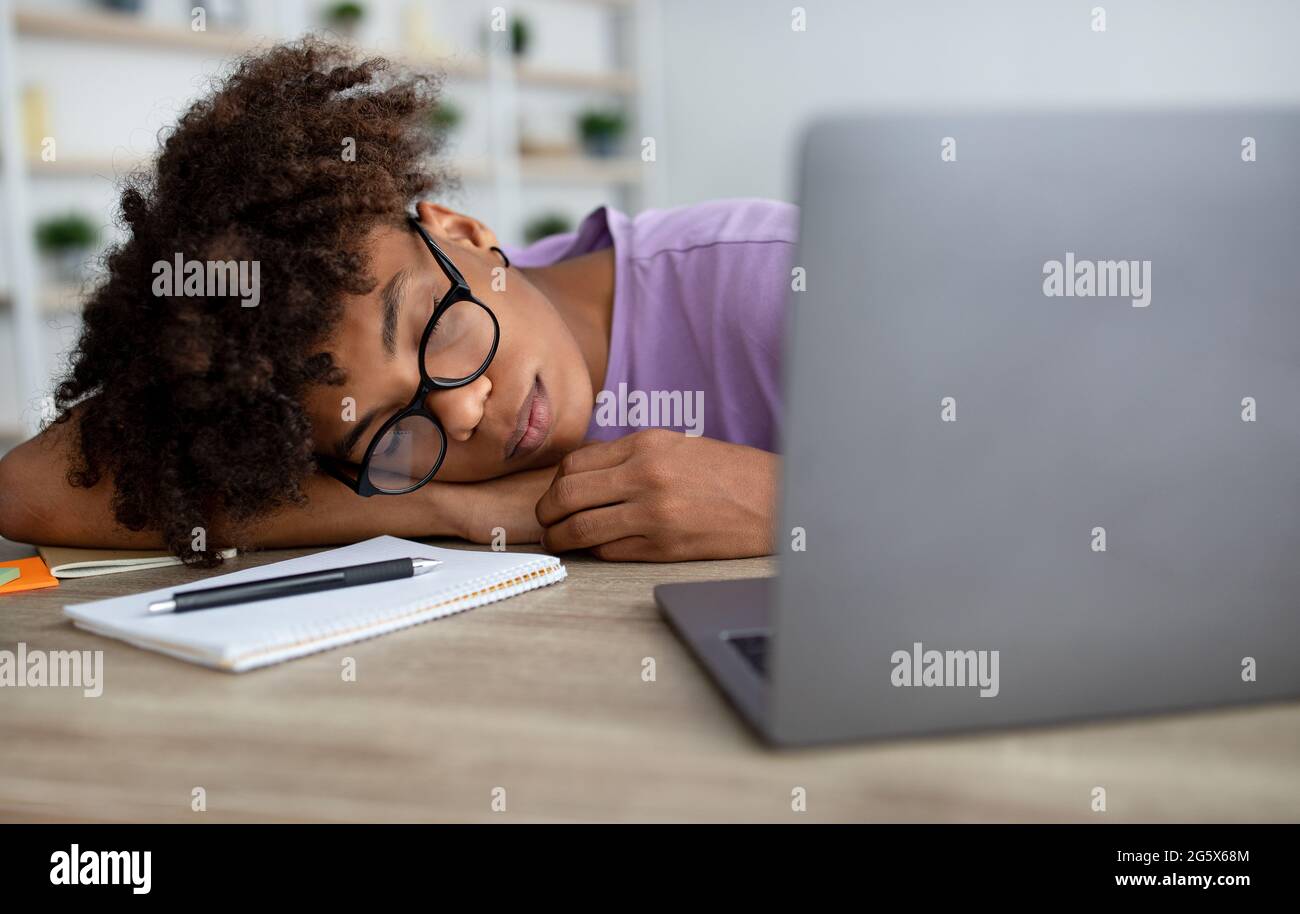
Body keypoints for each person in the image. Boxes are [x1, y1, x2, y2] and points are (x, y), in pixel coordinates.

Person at [0, 40, 794, 565]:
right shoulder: (407, 464)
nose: (455, 415)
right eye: (386, 430)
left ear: (461, 230)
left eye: (432, 330)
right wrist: (449, 507)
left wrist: (791, 502)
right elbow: (32, 487)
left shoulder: (765, 284)